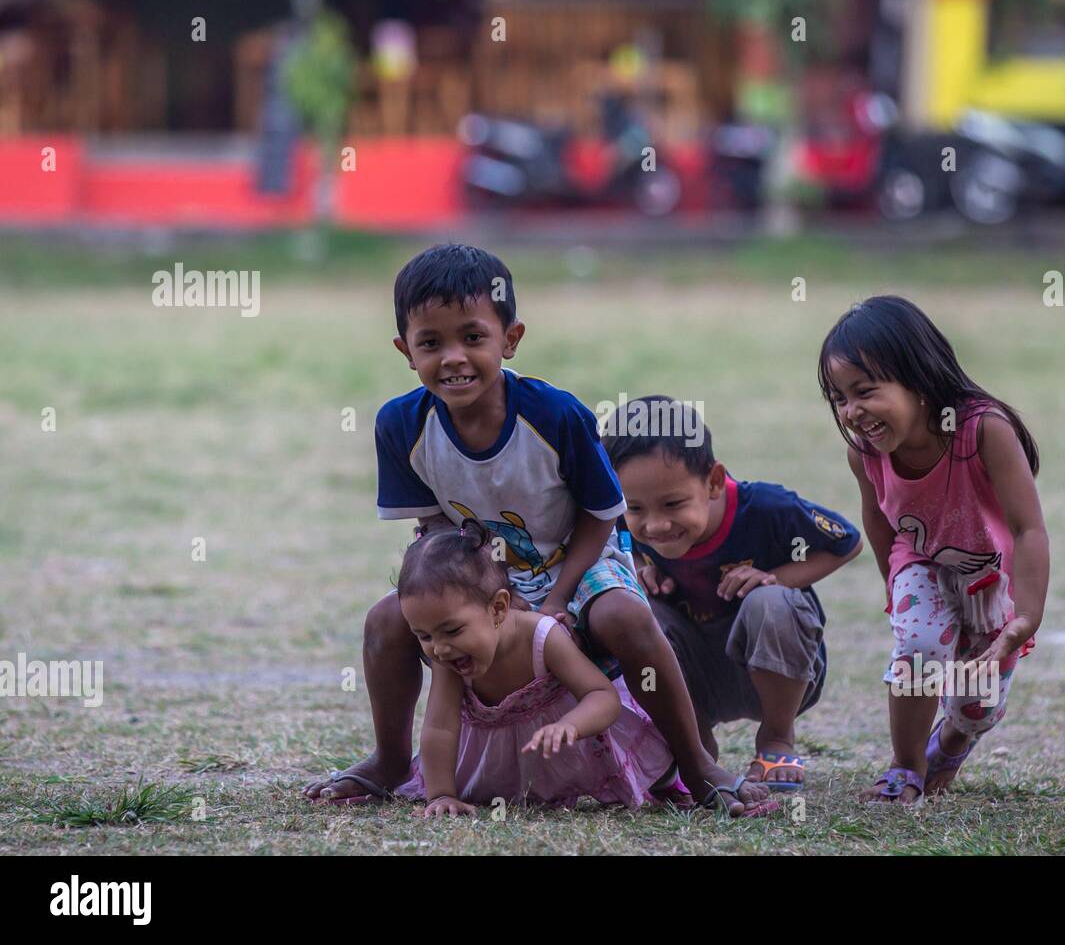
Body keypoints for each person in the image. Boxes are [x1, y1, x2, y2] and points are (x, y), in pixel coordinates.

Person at [302, 244, 772, 816]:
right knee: (386, 620)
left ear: (511, 338)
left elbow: (602, 516)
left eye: (473, 337)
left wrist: (555, 598)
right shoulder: (401, 425)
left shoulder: (554, 416)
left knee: (623, 616)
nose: (454, 358)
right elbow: (432, 527)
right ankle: (391, 759)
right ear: (405, 350)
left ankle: (697, 764)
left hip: (578, 555)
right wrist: (453, 587)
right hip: (481, 567)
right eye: (431, 343)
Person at [818, 296, 1048, 804]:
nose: (852, 412)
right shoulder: (865, 453)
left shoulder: (983, 430)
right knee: (919, 648)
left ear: (919, 381)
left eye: (865, 392)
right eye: (839, 398)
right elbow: (877, 519)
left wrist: (1025, 619)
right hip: (920, 560)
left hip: (989, 573)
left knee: (977, 706)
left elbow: (1029, 529)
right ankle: (906, 768)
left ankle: (951, 739)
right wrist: (894, 587)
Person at [603, 396, 863, 791]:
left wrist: (773, 576)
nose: (656, 525)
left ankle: (777, 738)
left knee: (771, 602)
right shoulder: (623, 521)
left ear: (712, 481)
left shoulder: (768, 508)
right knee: (632, 609)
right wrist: (642, 569)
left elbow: (848, 542)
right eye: (636, 508)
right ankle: (693, 744)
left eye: (673, 503)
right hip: (694, 672)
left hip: (777, 669)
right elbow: (625, 540)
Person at [391, 519, 681, 813]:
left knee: (650, 760)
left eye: (452, 630)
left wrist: (571, 725)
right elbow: (440, 727)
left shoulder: (542, 636)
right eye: (423, 636)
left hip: (574, 749)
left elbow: (602, 695)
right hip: (499, 762)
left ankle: (670, 780)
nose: (439, 648)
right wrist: (440, 795)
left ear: (498, 608)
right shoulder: (448, 659)